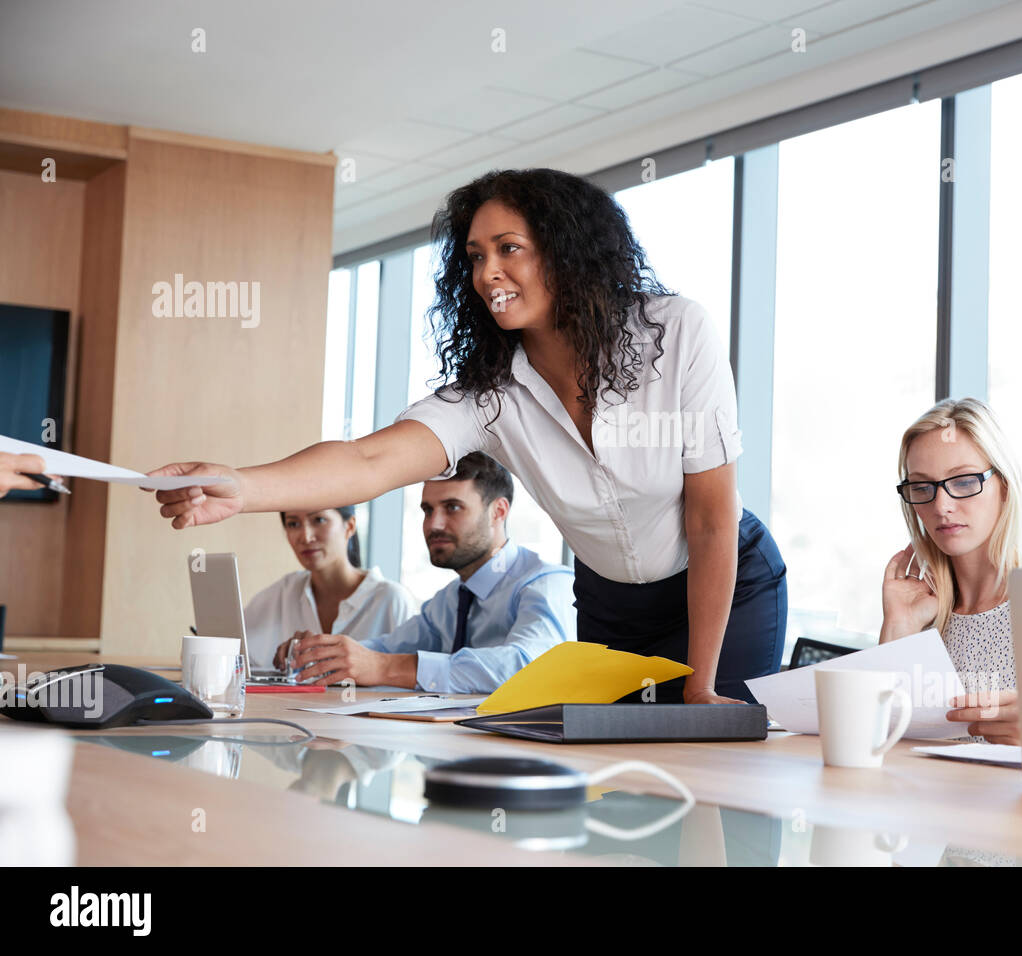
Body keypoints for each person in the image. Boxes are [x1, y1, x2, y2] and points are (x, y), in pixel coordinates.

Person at [148, 167, 786, 704]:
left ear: (567, 249)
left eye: (509, 248)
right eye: (476, 257)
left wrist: (699, 688)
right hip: (611, 601)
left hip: (723, 578)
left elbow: (709, 522)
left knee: (711, 759)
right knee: (622, 786)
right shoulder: (492, 393)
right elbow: (369, 459)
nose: (487, 273)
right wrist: (238, 485)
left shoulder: (674, 333)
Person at [281, 452, 575, 693]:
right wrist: (324, 655)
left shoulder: (545, 585)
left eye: (452, 508)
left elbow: (531, 667)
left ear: (498, 512)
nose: (434, 524)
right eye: (427, 510)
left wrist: (385, 667)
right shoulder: (449, 601)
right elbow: (387, 648)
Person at [878, 397, 1022, 745]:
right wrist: (900, 627)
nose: (942, 506)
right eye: (922, 487)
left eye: (965, 481)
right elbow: (879, 742)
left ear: (1003, 485)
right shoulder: (922, 611)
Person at [242, 502, 419, 671]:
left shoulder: (391, 600)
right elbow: (233, 649)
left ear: (349, 526)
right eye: (293, 524)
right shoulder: (281, 594)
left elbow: (414, 684)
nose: (306, 536)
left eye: (319, 520)